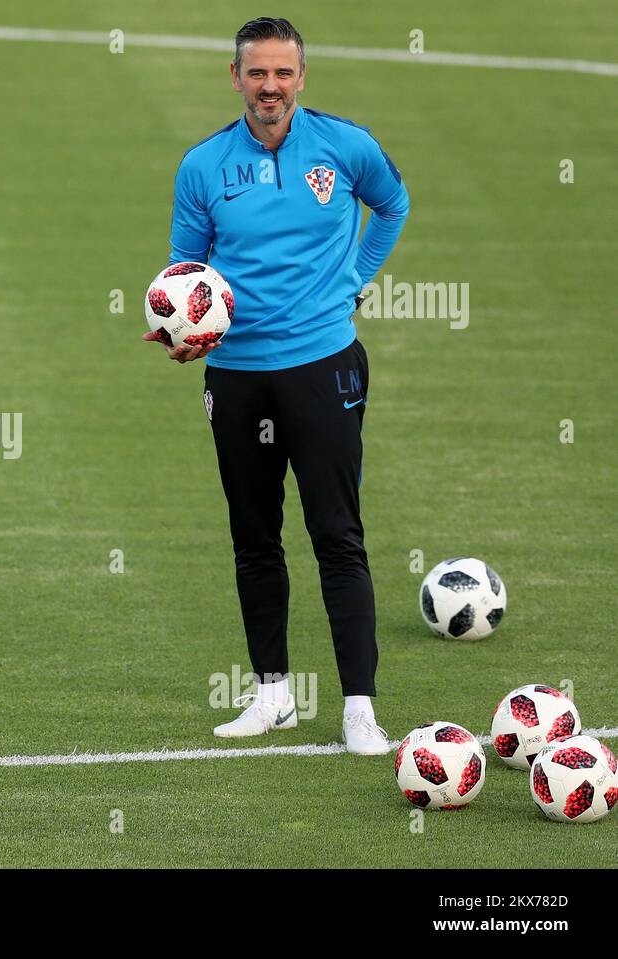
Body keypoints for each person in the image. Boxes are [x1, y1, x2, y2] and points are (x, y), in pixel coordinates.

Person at [144, 17, 409, 754]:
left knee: (337, 535)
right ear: (236, 79)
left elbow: (393, 205)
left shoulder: (345, 146)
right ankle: (272, 697)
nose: (270, 87)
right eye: (257, 74)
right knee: (255, 536)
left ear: (301, 77)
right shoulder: (202, 166)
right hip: (237, 377)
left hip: (324, 366)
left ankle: (359, 707)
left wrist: (354, 279)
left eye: (283, 74)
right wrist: (180, 331)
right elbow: (184, 271)